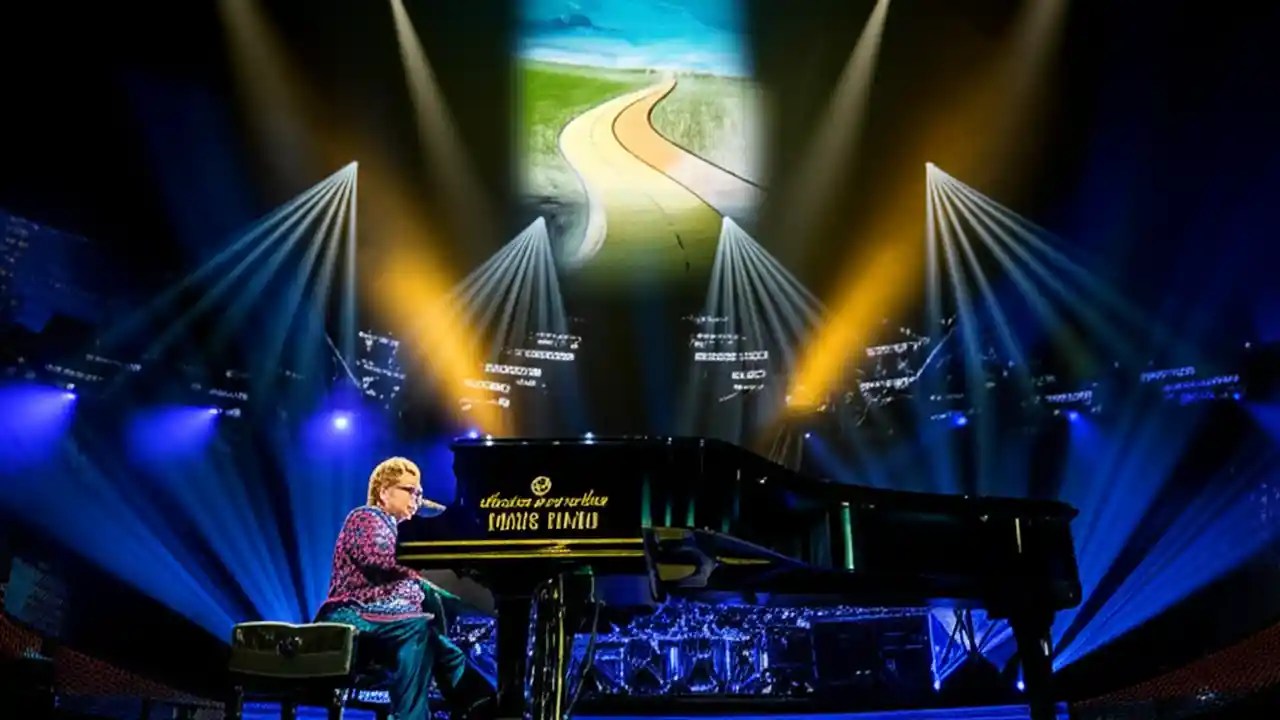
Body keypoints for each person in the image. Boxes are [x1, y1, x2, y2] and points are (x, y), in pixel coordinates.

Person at [316, 456, 492, 719]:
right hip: (352, 614)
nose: (416, 499)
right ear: (384, 492)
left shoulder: (395, 529)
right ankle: (428, 713)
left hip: (387, 621)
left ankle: (483, 706)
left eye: (419, 493)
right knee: (420, 629)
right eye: (410, 490)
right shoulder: (366, 517)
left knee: (439, 644)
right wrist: (429, 576)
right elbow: (379, 559)